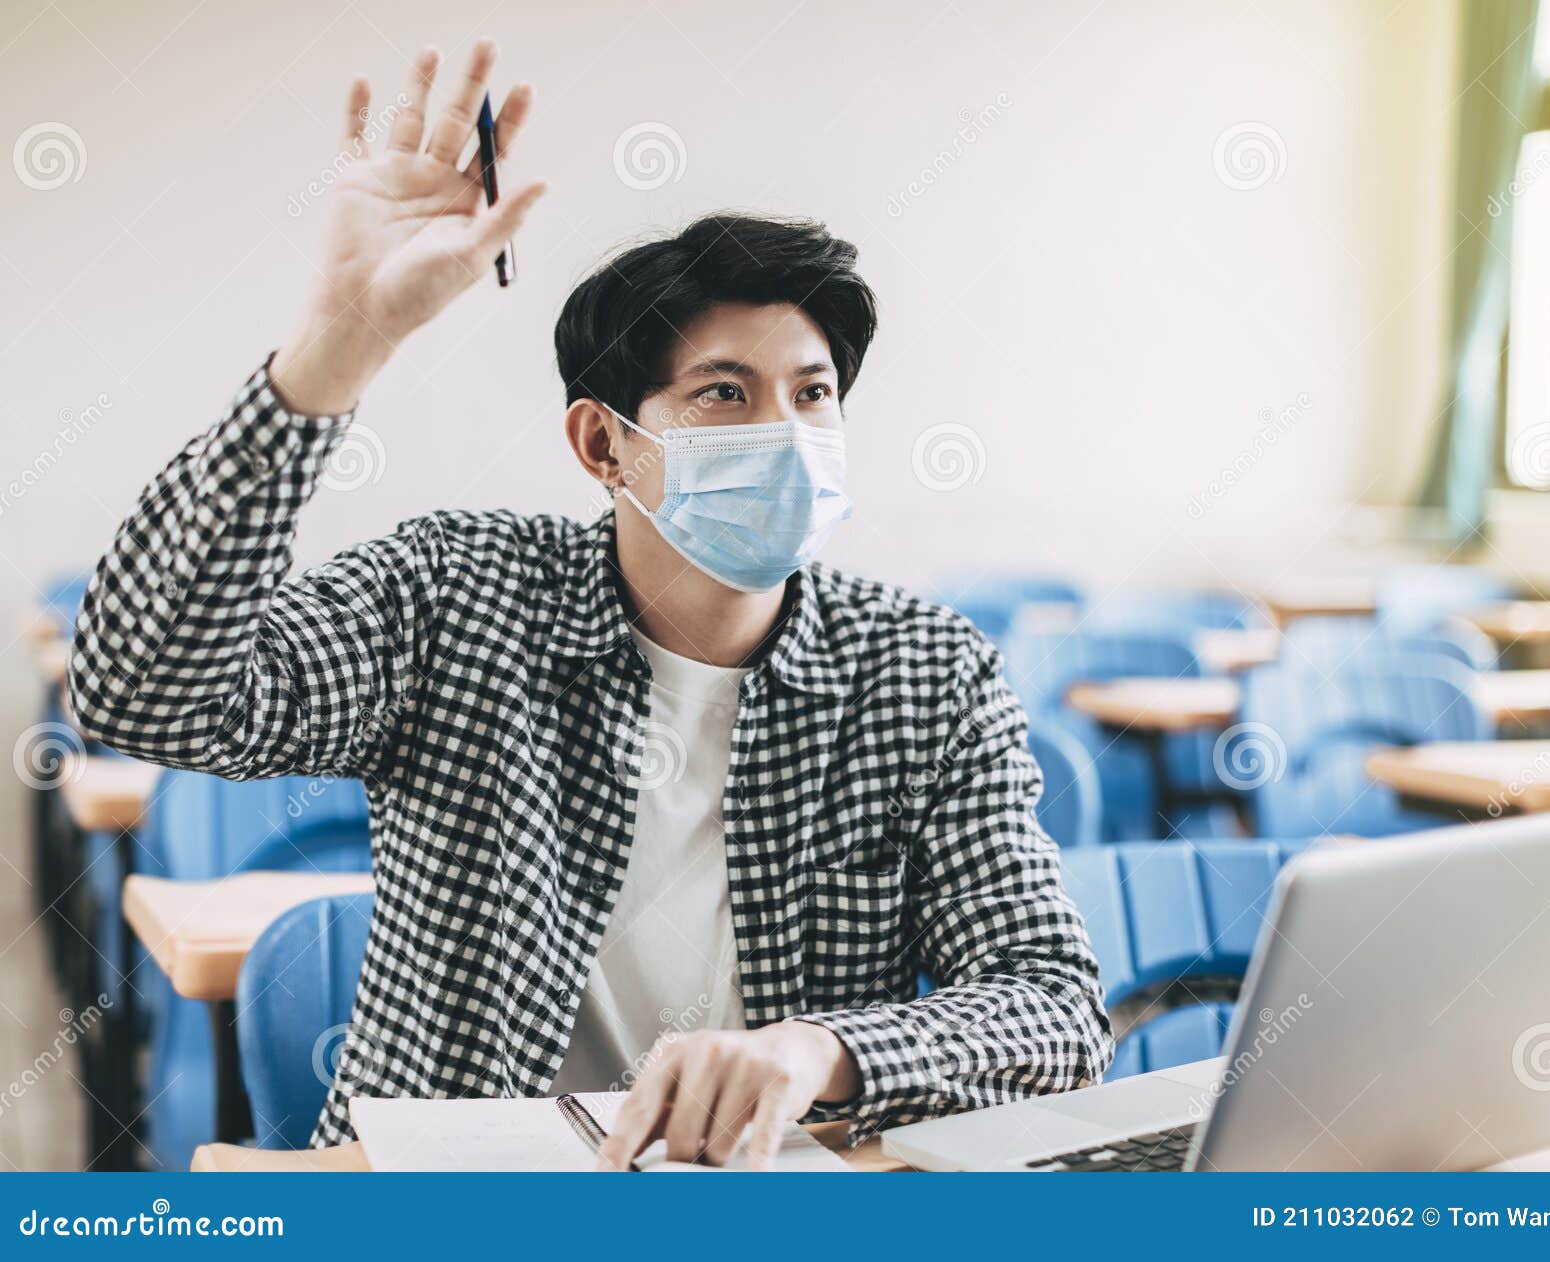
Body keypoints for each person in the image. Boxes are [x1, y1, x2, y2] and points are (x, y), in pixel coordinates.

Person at [67, 38, 1111, 1170]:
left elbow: (1051, 1005)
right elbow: (145, 698)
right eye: (725, 393)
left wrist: (819, 1051)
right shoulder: (458, 599)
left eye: (812, 396)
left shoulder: (924, 670)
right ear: (603, 444)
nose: (787, 436)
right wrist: (337, 346)